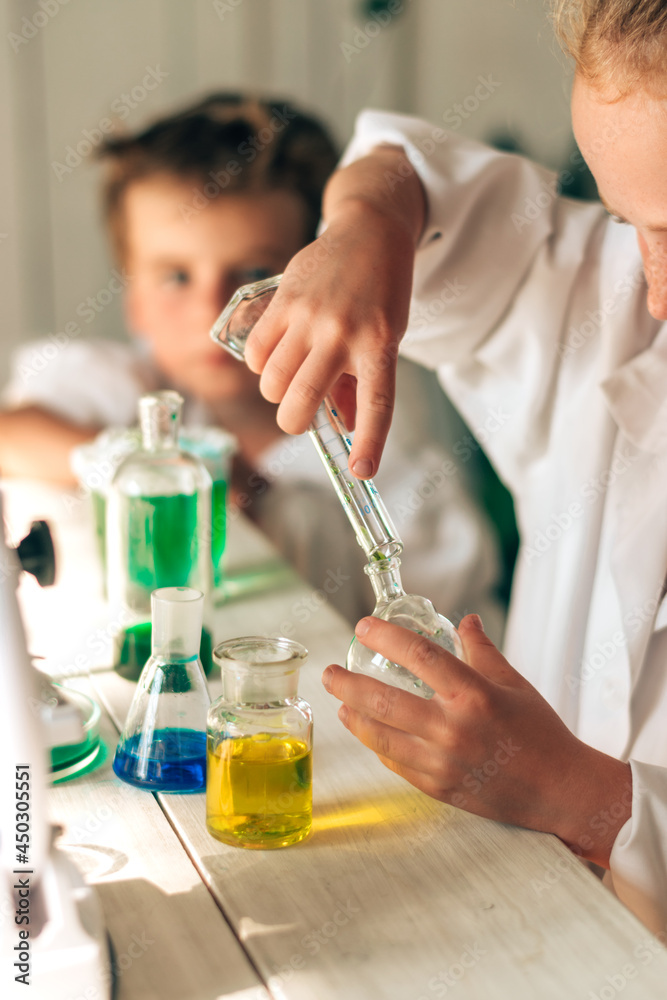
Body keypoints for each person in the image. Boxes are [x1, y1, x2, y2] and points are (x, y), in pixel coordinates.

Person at [235, 2, 667, 933]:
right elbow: (420, 181)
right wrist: (364, 227)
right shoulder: (615, 307)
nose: (652, 286)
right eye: (631, 221)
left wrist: (582, 798)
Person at [0, 93, 503, 629]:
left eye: (253, 272)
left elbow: (452, 650)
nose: (211, 310)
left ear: (324, 280)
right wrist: (151, 467)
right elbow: (11, 435)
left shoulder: (392, 468)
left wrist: (273, 513)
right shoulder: (131, 386)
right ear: (134, 301)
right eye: (175, 276)